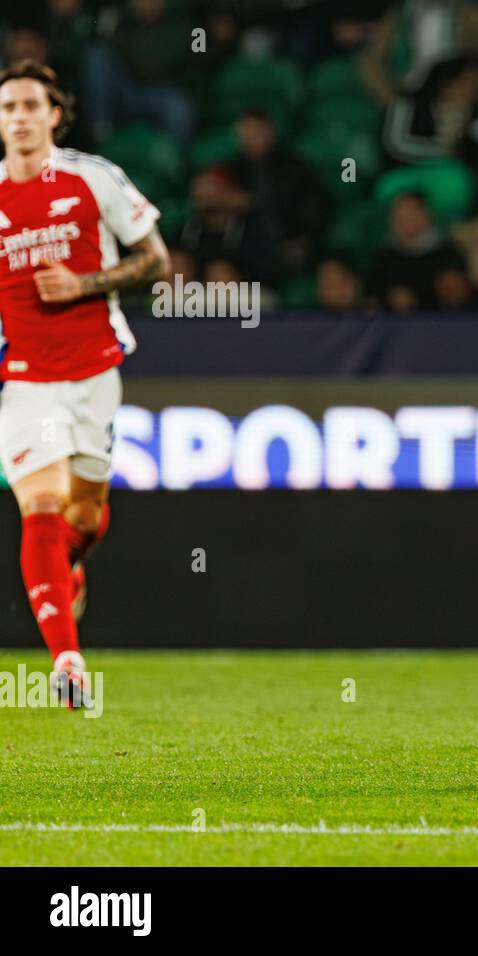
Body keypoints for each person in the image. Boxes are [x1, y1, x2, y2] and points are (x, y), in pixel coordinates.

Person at [0, 61, 170, 707]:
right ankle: (68, 662)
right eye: (7, 107)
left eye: (28, 105)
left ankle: (69, 563)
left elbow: (156, 261)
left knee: (86, 515)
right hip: (22, 380)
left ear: (54, 114)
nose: (17, 117)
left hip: (95, 369)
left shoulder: (91, 178)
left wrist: (81, 285)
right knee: (39, 510)